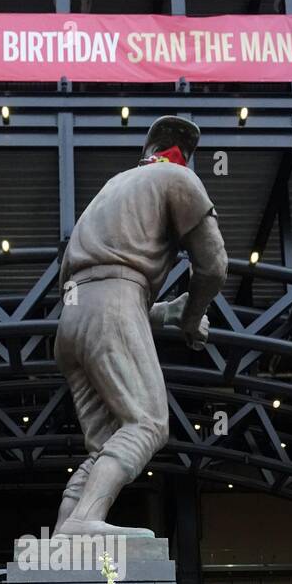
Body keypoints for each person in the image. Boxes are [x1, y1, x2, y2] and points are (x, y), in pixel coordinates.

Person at [54, 114, 228, 537]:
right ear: (184, 157)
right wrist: (191, 318)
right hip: (113, 307)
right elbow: (214, 267)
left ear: (147, 151)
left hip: (72, 318)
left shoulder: (112, 188)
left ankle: (64, 535)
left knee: (105, 444)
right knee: (147, 424)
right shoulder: (178, 178)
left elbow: (101, 292)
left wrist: (166, 312)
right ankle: (84, 522)